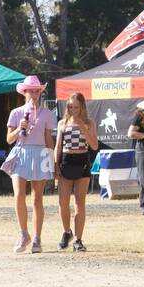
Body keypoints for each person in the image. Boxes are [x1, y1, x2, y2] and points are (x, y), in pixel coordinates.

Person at [4, 77, 56, 253]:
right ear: (24, 92)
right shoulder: (16, 113)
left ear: (40, 92)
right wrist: (19, 128)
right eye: (30, 91)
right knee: (19, 194)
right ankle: (23, 233)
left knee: (37, 198)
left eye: (36, 91)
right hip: (21, 152)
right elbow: (9, 139)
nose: (34, 94)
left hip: (40, 153)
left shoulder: (48, 114)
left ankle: (37, 238)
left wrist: (52, 160)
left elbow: (49, 138)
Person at [55, 93, 98, 252]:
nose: (73, 110)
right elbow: (58, 146)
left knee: (80, 203)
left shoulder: (89, 123)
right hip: (66, 160)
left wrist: (83, 128)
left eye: (76, 107)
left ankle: (78, 240)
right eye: (70, 106)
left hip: (82, 160)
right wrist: (55, 165)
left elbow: (94, 146)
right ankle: (67, 232)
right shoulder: (62, 123)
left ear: (82, 107)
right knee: (63, 201)